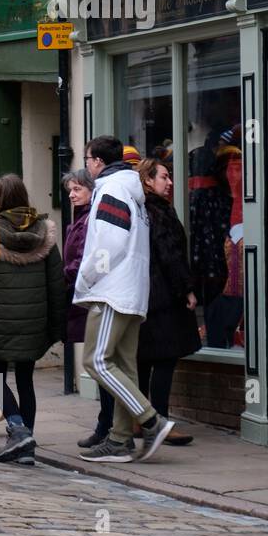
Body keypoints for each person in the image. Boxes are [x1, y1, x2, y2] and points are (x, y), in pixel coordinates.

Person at [83, 159, 199, 449]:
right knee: (154, 360)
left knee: (134, 363)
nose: (169, 182)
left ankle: (127, 431)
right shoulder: (153, 209)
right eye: (163, 176)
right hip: (155, 297)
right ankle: (154, 421)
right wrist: (186, 288)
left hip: (140, 295)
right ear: (147, 180)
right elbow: (169, 253)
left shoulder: (137, 205)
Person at [76, 135, 175, 463]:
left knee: (96, 360)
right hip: (131, 291)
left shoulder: (112, 188)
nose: (87, 165)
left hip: (112, 291)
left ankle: (151, 420)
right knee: (124, 367)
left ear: (98, 162)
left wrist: (87, 277)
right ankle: (119, 439)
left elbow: (112, 241)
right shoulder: (131, 191)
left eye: (88, 159)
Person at [0, 174, 67, 466]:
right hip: (33, 323)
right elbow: (57, 285)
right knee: (26, 380)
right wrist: (57, 326)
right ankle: (27, 443)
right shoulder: (45, 232)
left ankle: (18, 430)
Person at [62, 168, 94, 391]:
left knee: (96, 361)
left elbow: (82, 258)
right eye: (70, 190)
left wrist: (65, 276)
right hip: (79, 293)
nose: (72, 195)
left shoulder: (88, 219)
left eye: (77, 189)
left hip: (88, 295)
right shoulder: (77, 220)